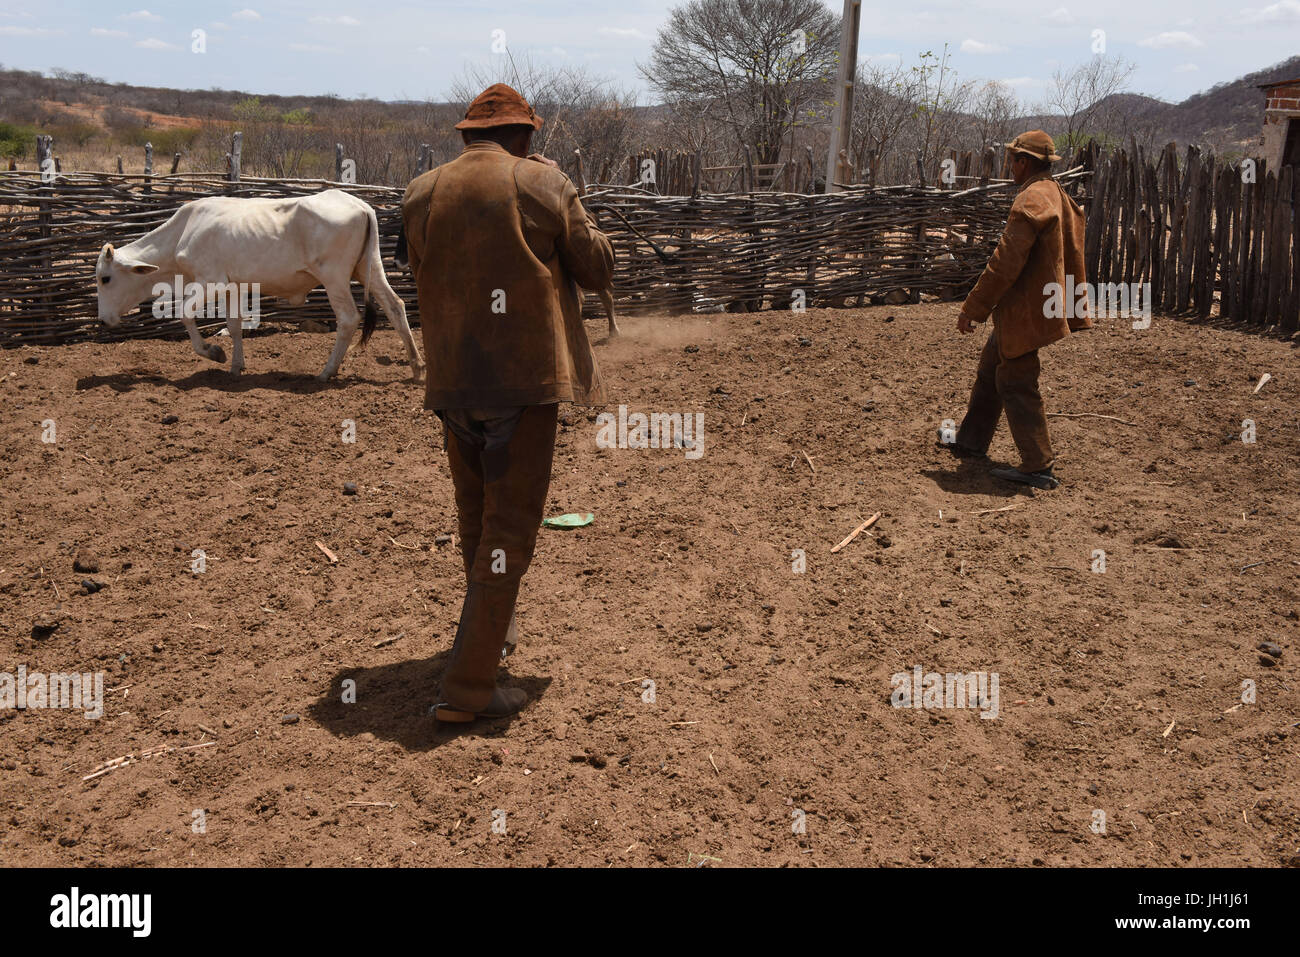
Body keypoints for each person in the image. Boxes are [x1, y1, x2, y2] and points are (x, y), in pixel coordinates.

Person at [401, 83, 614, 722]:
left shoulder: (421, 193)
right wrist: (569, 191)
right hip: (522, 384)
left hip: (453, 381)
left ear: (467, 136)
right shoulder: (542, 185)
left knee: (478, 520)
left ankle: (489, 637)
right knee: (511, 529)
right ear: (525, 138)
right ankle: (468, 689)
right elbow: (598, 268)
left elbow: (420, 272)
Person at [942, 129, 1091, 490]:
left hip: (1027, 308)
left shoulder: (1030, 202)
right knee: (992, 366)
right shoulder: (1056, 194)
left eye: (1013, 162)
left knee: (1015, 379)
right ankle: (971, 440)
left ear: (1024, 163)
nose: (1011, 168)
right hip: (1040, 303)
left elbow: (1005, 263)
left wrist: (973, 308)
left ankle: (1037, 463)